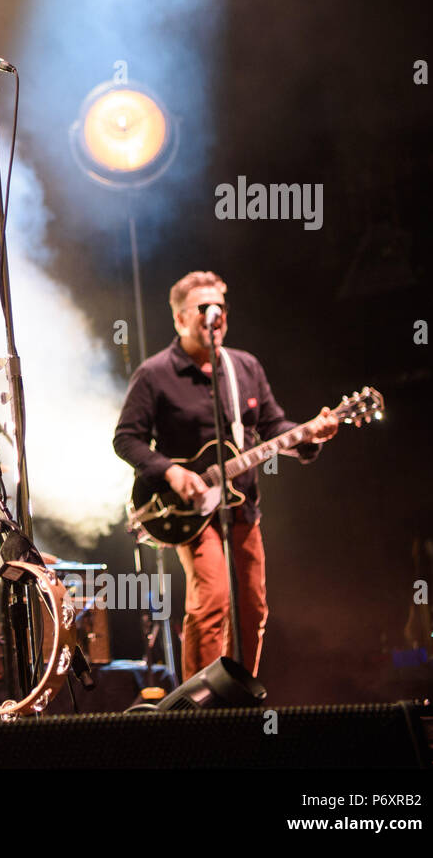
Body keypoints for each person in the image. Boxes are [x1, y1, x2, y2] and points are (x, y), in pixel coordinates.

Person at [113, 271, 339, 680]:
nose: (213, 316)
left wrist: (309, 435)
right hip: (190, 511)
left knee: (252, 608)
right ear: (181, 319)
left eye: (219, 308)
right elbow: (126, 439)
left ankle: (237, 696)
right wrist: (172, 472)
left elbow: (272, 427)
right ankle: (202, 709)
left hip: (242, 506)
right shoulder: (155, 374)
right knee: (212, 598)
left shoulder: (244, 367)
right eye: (203, 309)